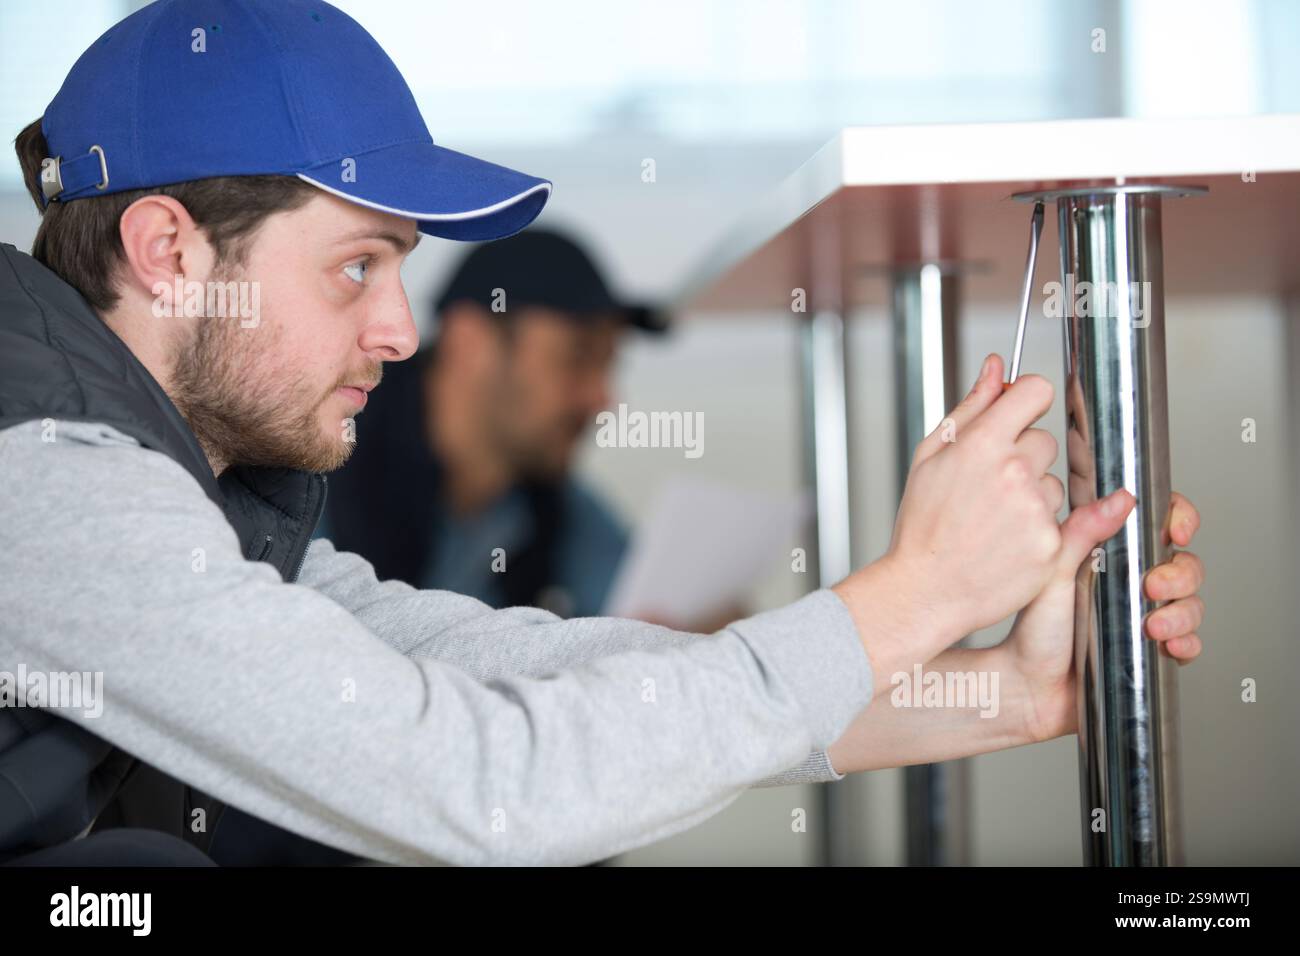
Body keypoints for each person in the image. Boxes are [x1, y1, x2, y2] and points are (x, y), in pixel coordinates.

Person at [0, 0, 1205, 867]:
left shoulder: (201, 489)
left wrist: (997, 689)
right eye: (355, 267)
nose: (400, 332)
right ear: (170, 252)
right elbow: (473, 781)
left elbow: (499, 674)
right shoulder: (51, 479)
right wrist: (918, 589)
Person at [321, 228, 667, 621]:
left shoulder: (558, 509)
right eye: (577, 358)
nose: (602, 398)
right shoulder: (312, 483)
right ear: (470, 342)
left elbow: (642, 609)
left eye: (608, 365)